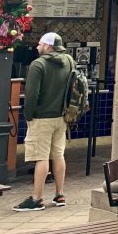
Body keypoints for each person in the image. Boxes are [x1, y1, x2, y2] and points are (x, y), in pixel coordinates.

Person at [13, 32, 74, 212]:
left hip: (42, 118)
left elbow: (32, 94)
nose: (37, 46)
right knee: (58, 155)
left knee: (41, 157)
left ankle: (36, 198)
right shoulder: (69, 61)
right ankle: (59, 194)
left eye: (40, 44)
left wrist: (28, 115)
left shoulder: (38, 64)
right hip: (61, 117)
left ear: (48, 46)